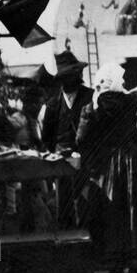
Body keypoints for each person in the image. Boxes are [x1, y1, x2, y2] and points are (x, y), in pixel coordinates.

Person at [75, 62, 137, 273]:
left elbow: (81, 140)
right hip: (134, 164)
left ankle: (115, 270)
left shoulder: (92, 107)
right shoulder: (136, 103)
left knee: (112, 213)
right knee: (136, 212)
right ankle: (135, 268)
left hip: (106, 167)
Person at [39, 50, 94, 228]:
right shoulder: (53, 104)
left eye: (75, 74)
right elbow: (47, 138)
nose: (73, 78)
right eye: (67, 76)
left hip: (87, 160)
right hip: (62, 161)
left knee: (87, 201)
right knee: (64, 203)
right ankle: (66, 235)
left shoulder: (91, 97)